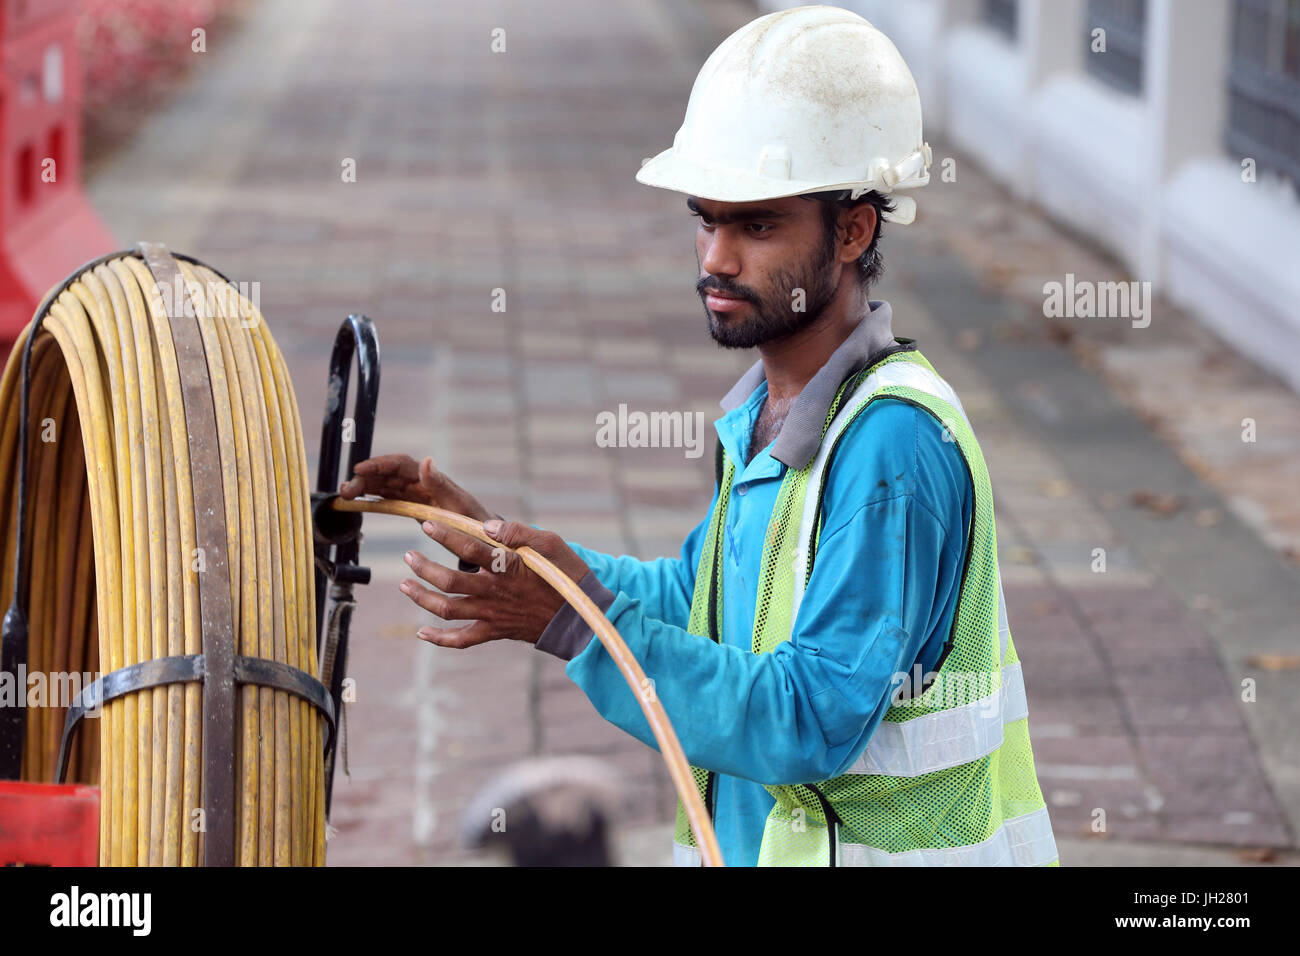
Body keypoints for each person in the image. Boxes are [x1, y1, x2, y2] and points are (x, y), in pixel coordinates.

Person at [340, 5, 1058, 867]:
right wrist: (499, 546)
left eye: (757, 225)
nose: (715, 257)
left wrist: (574, 627)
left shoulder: (891, 446)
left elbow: (810, 715)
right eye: (706, 219)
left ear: (854, 229)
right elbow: (702, 603)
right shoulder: (766, 411)